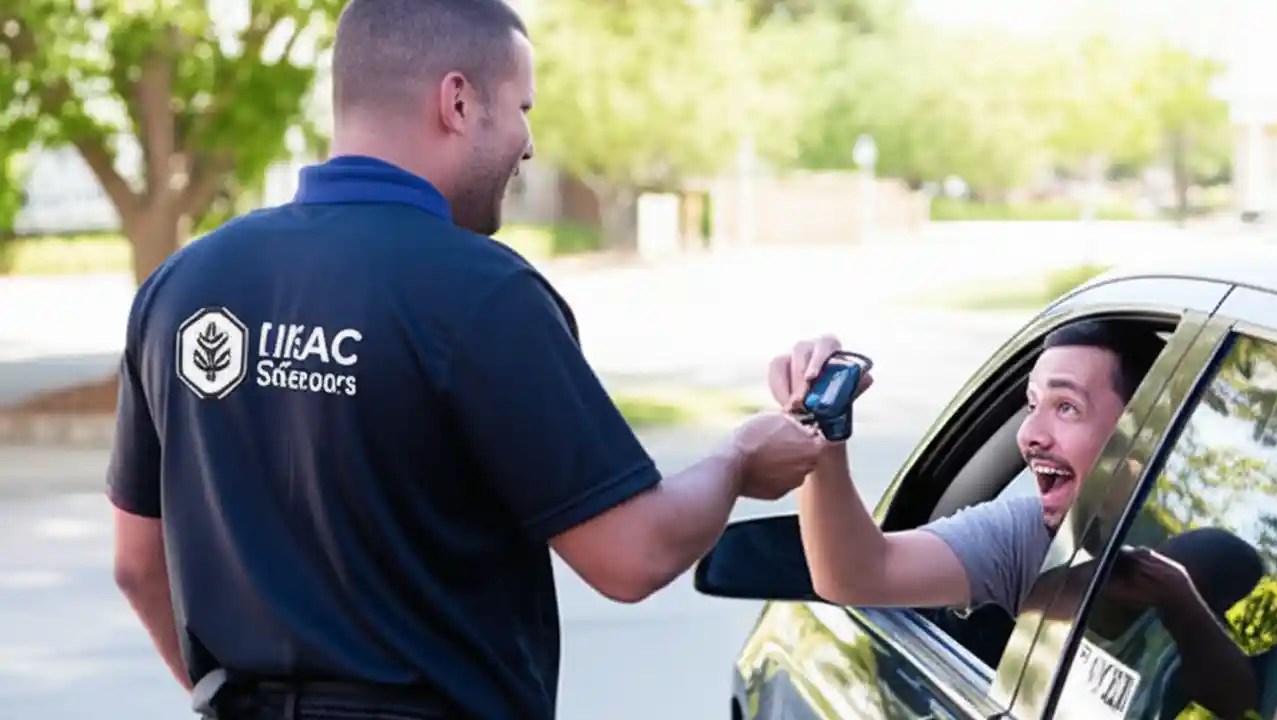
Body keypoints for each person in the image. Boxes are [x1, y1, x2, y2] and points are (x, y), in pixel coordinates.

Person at [106, 1, 825, 719]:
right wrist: (737, 460)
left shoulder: (184, 285)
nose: (529, 143)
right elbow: (631, 555)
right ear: (456, 101)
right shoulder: (483, 291)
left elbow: (138, 565)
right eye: (522, 107)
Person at [770, 320, 1164, 617]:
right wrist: (819, 424)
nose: (1029, 434)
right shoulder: (1030, 540)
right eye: (1032, 404)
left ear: (1142, 434)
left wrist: (1183, 607)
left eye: (1066, 407)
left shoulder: (1206, 558)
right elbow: (857, 574)